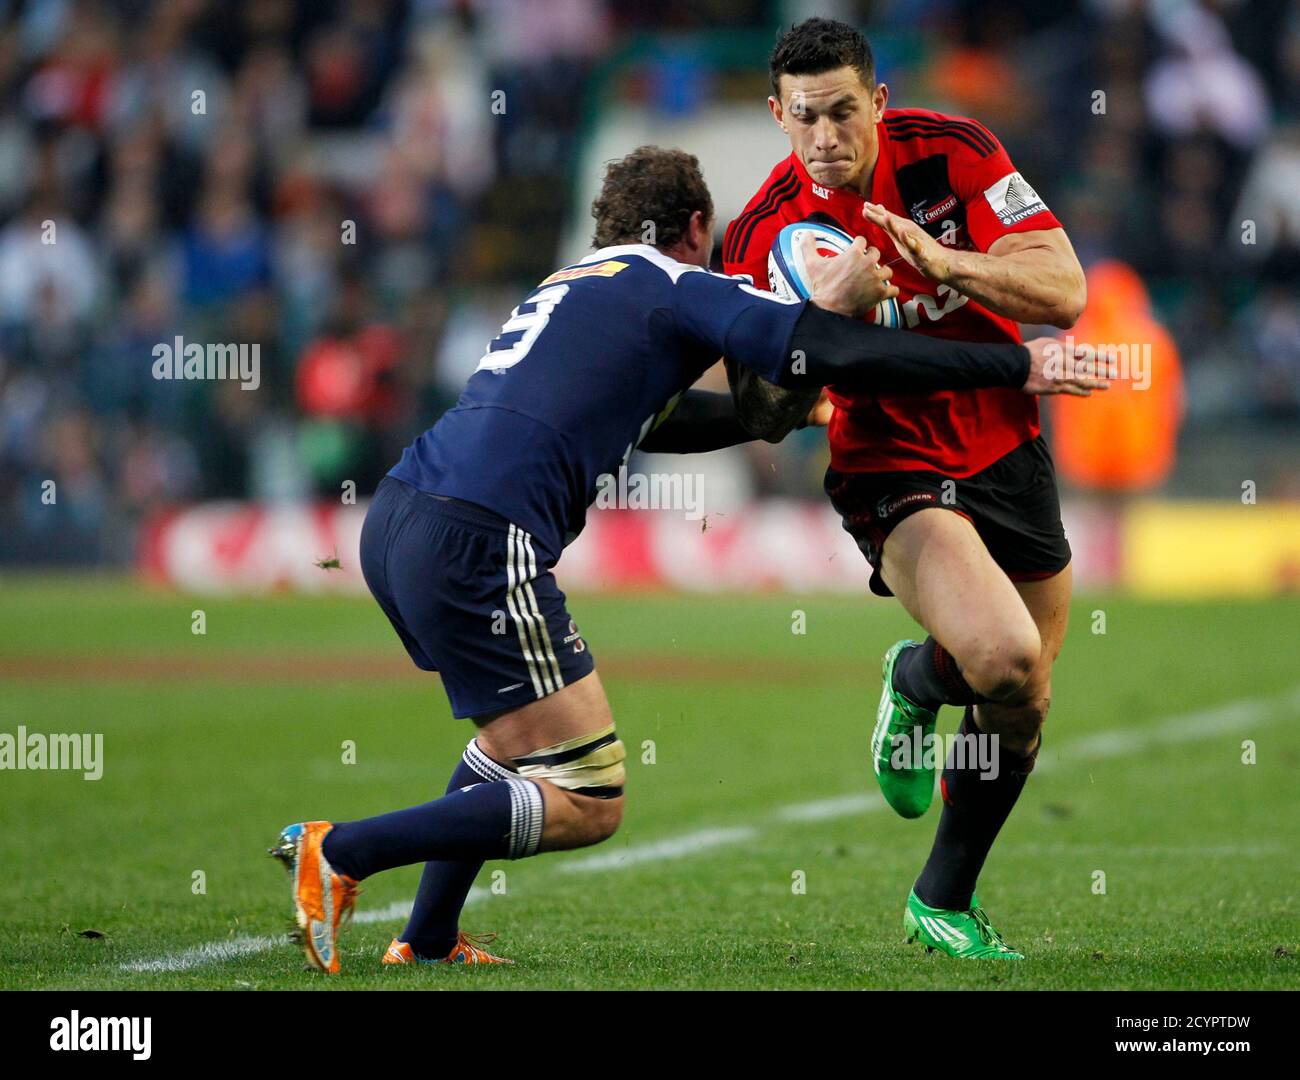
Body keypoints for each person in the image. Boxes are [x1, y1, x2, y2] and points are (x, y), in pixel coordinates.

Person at [270, 145, 1104, 973]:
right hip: (482, 539)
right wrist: (1012, 363)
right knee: (590, 795)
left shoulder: (571, 286)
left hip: (400, 517)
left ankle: (428, 938)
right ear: (698, 227)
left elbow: (655, 421)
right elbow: (827, 348)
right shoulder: (676, 284)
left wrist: (795, 413)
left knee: (516, 737)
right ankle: (342, 850)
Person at [723, 18, 1090, 959]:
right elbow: (762, 410)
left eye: (843, 112)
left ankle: (942, 900)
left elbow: (1064, 292)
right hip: (888, 460)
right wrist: (821, 323)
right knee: (1001, 655)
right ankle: (917, 675)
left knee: (1025, 700)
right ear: (777, 116)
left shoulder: (953, 152)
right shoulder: (762, 233)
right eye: (805, 117)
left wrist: (944, 262)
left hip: (1006, 445)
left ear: (879, 101)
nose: (825, 137)